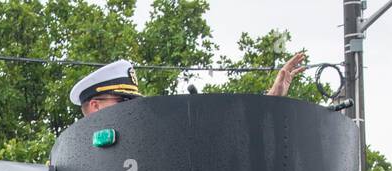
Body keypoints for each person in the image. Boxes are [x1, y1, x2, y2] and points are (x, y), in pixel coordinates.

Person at [70, 53, 307, 117]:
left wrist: (270, 103)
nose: (130, 109)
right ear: (95, 106)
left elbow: (222, 135)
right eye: (122, 101)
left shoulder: (149, 140)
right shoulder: (72, 163)